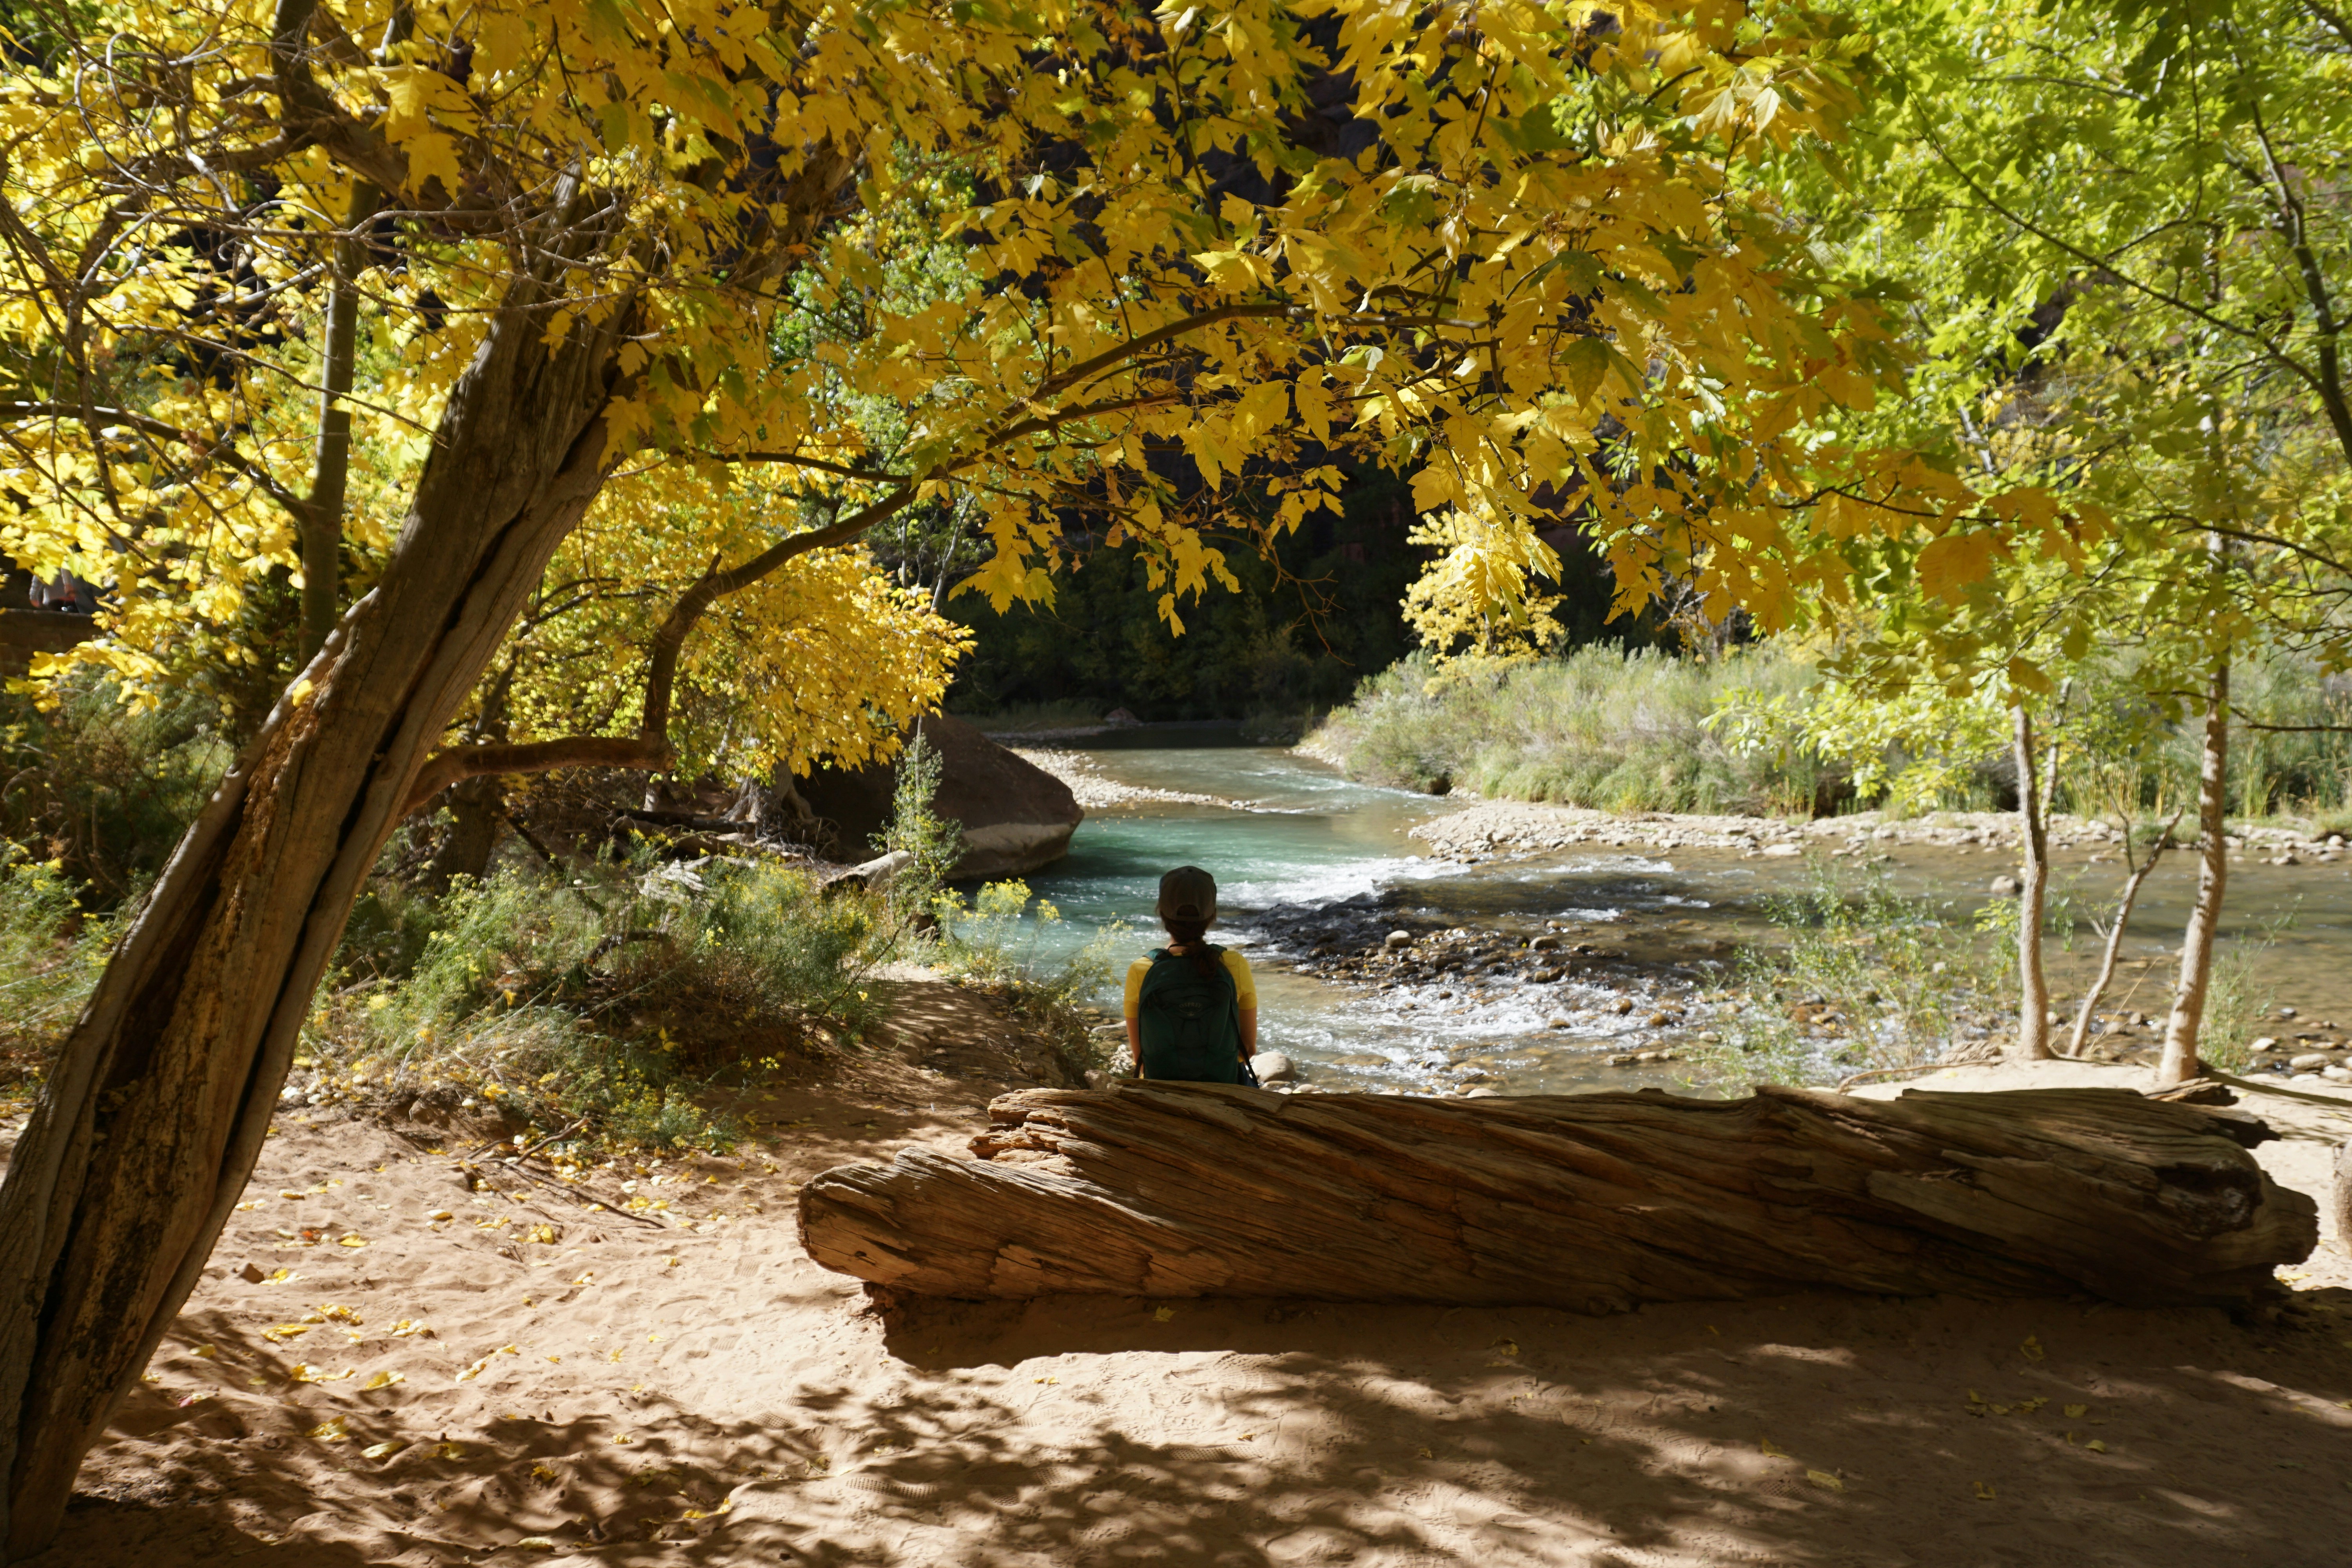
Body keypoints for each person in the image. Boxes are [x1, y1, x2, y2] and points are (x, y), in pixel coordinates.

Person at [1124, 865, 1258, 1083]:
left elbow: (1140, 1057)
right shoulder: (1234, 964)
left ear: (1162, 913)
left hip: (1163, 1089)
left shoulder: (1142, 969)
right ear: (1212, 915)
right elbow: (1249, 1049)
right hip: (1222, 1086)